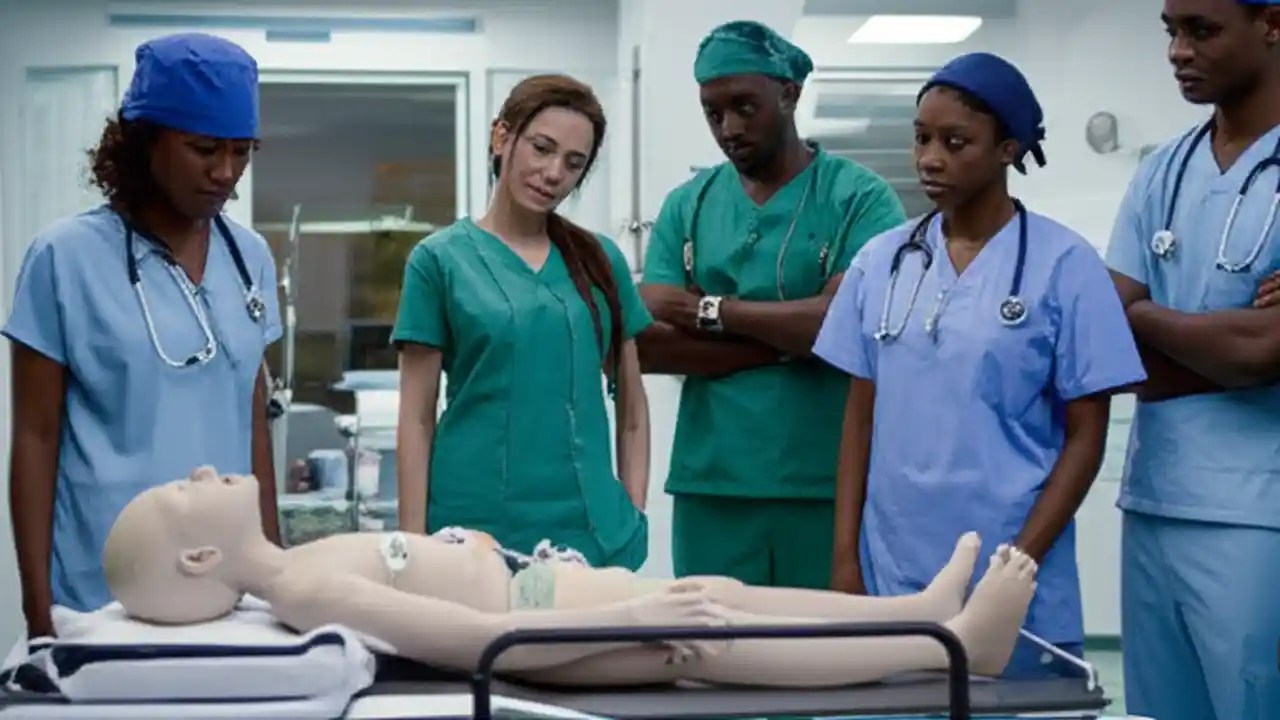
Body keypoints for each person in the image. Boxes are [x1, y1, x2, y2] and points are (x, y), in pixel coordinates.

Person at [811, 52, 1148, 680]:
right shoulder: (880, 262)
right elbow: (859, 420)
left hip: (1014, 562)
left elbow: (1086, 436)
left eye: (955, 142)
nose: (930, 158)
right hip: (893, 563)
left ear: (1007, 149)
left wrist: (1017, 565)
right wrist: (843, 562)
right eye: (922, 138)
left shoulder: (1065, 265)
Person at [103, 464, 1040, 687]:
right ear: (200, 559)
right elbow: (474, 645)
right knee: (717, 632)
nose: (197, 475)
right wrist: (629, 612)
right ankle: (956, 646)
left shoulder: (300, 564)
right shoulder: (301, 591)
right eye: (183, 498)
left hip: (537, 593)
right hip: (542, 633)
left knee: (730, 598)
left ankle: (916, 612)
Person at [2, 33, 282, 635]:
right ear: (144, 141)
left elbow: (251, 418)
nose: (225, 172)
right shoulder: (64, 258)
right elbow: (34, 436)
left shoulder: (249, 258)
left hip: (227, 588)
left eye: (242, 151)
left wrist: (274, 575)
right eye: (204, 149)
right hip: (100, 594)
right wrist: (38, 611)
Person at [636, 20, 907, 590]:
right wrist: (791, 342)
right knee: (710, 652)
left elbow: (840, 324)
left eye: (744, 107)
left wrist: (706, 312)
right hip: (713, 482)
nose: (728, 128)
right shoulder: (689, 204)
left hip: (825, 479)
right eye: (713, 113)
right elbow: (650, 344)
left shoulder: (859, 197)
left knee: (819, 659)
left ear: (789, 94)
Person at [392, 75, 651, 571]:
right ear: (501, 137)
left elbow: (632, 409)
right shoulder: (439, 261)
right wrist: (413, 544)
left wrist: (633, 514)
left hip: (592, 535)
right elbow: (417, 419)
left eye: (574, 163)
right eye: (542, 148)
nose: (553, 173)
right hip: (471, 533)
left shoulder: (600, 261)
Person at [1106, 2, 1280, 717]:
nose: (1178, 50)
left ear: (1271, 22)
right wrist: (1220, 341)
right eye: (1170, 31)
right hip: (1153, 498)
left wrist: (1144, 317)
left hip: (1258, 513)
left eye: (1201, 30)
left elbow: (1264, 351)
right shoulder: (1163, 171)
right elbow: (1102, 336)